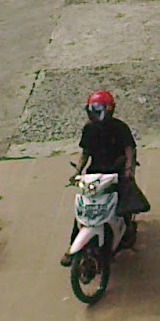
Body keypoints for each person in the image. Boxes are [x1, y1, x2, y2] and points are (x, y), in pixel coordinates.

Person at [61, 89, 146, 265]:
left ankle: (127, 229)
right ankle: (72, 246)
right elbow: (85, 153)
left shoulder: (120, 127)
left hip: (117, 171)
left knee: (125, 200)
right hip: (95, 173)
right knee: (83, 208)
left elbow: (130, 149)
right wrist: (78, 171)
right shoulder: (89, 129)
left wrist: (128, 168)